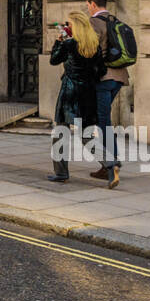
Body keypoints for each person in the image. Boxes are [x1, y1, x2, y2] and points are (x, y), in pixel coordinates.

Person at [45, 11, 107, 185]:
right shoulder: (94, 45)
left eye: (70, 25)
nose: (68, 27)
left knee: (60, 133)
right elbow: (101, 71)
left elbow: (54, 60)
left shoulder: (70, 44)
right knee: (86, 134)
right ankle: (110, 163)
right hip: (88, 94)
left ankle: (61, 173)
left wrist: (58, 42)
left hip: (70, 94)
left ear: (76, 27)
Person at [86, 0, 131, 188]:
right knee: (101, 120)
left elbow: (89, 51)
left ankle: (112, 166)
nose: (88, 9)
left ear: (93, 4)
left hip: (103, 78)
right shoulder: (114, 21)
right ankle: (108, 164)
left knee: (103, 122)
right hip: (119, 77)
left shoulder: (94, 22)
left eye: (88, 5)